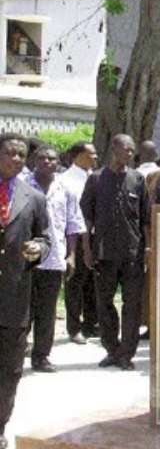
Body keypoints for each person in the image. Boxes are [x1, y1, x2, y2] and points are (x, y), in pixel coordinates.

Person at [80, 134, 149, 371]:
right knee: (104, 302)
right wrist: (87, 250)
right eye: (126, 149)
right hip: (104, 253)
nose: (129, 154)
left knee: (132, 305)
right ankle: (111, 348)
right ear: (113, 149)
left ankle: (126, 354)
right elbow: (86, 219)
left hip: (132, 254)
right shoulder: (96, 180)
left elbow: (145, 220)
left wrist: (147, 249)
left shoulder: (138, 180)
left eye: (132, 151)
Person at [0, 133, 50, 449]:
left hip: (14, 297)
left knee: (9, 369)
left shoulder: (34, 198)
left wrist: (39, 248)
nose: (17, 159)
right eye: (10, 153)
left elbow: (46, 239)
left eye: (21, 155)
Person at [26, 145, 85, 372]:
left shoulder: (65, 188)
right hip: (25, 258)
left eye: (52, 159)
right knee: (23, 310)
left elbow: (73, 224)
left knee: (47, 311)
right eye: (42, 158)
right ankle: (16, 351)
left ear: (58, 162)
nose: (47, 162)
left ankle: (41, 356)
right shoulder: (23, 185)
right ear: (34, 160)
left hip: (54, 259)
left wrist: (71, 256)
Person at [60, 140, 98, 344]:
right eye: (91, 154)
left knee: (92, 282)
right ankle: (74, 327)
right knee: (75, 282)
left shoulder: (95, 178)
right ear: (78, 156)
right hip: (74, 237)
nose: (95, 157)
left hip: (94, 237)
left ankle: (91, 324)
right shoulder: (66, 181)